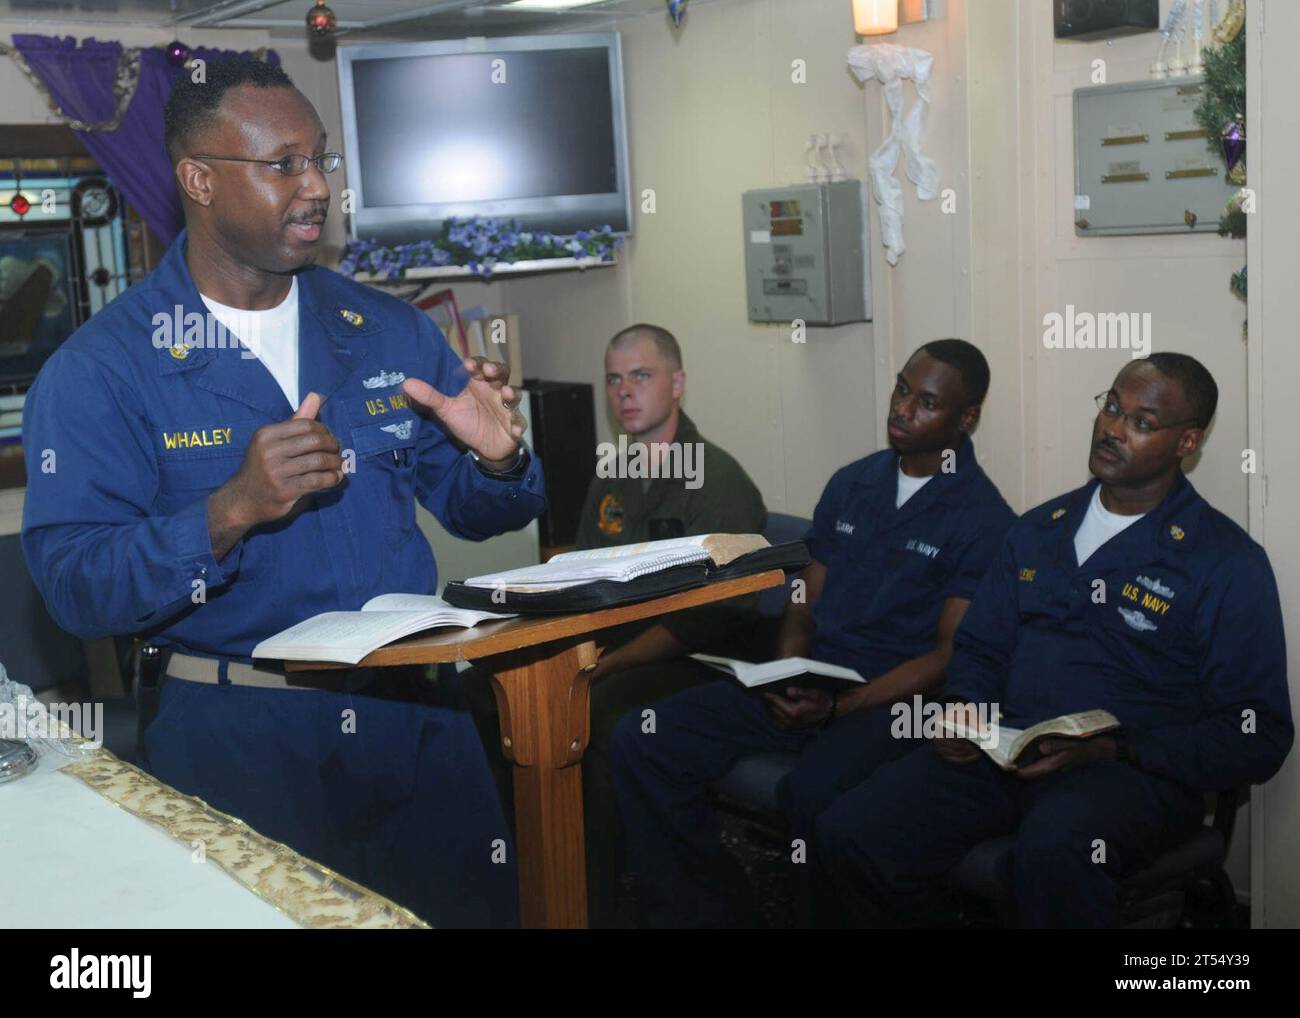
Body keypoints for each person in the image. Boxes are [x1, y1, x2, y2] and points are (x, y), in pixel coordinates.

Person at [20, 59, 545, 928]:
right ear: (197, 179)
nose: (316, 188)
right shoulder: (101, 371)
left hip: (419, 724)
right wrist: (227, 513)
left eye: (323, 161)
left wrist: (496, 460)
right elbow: (76, 587)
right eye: (284, 164)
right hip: (242, 742)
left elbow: (480, 512)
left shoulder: (387, 327)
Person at [816, 353, 1294, 928]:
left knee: (1054, 848)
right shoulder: (1039, 530)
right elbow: (981, 649)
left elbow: (1258, 732)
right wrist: (966, 708)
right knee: (853, 831)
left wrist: (1116, 747)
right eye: (1112, 407)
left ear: (1187, 441)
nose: (1114, 428)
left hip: (1130, 777)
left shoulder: (1223, 562)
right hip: (1004, 754)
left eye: (1141, 423)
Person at [609, 339, 1016, 927]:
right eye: (902, 388)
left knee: (813, 793)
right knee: (644, 740)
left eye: (927, 402)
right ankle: (706, 912)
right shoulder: (854, 483)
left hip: (893, 703)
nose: (903, 408)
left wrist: (846, 704)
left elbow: (949, 655)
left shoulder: (984, 519)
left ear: (966, 418)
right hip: (812, 681)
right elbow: (803, 597)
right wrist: (788, 671)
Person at [468, 322, 767, 926]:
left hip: (695, 663)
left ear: (677, 384)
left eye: (642, 376)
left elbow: (710, 618)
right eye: (613, 378)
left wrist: (598, 668)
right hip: (613, 651)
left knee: (597, 712)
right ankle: (532, 872)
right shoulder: (614, 471)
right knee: (486, 690)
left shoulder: (716, 478)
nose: (624, 392)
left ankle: (597, 901)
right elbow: (581, 578)